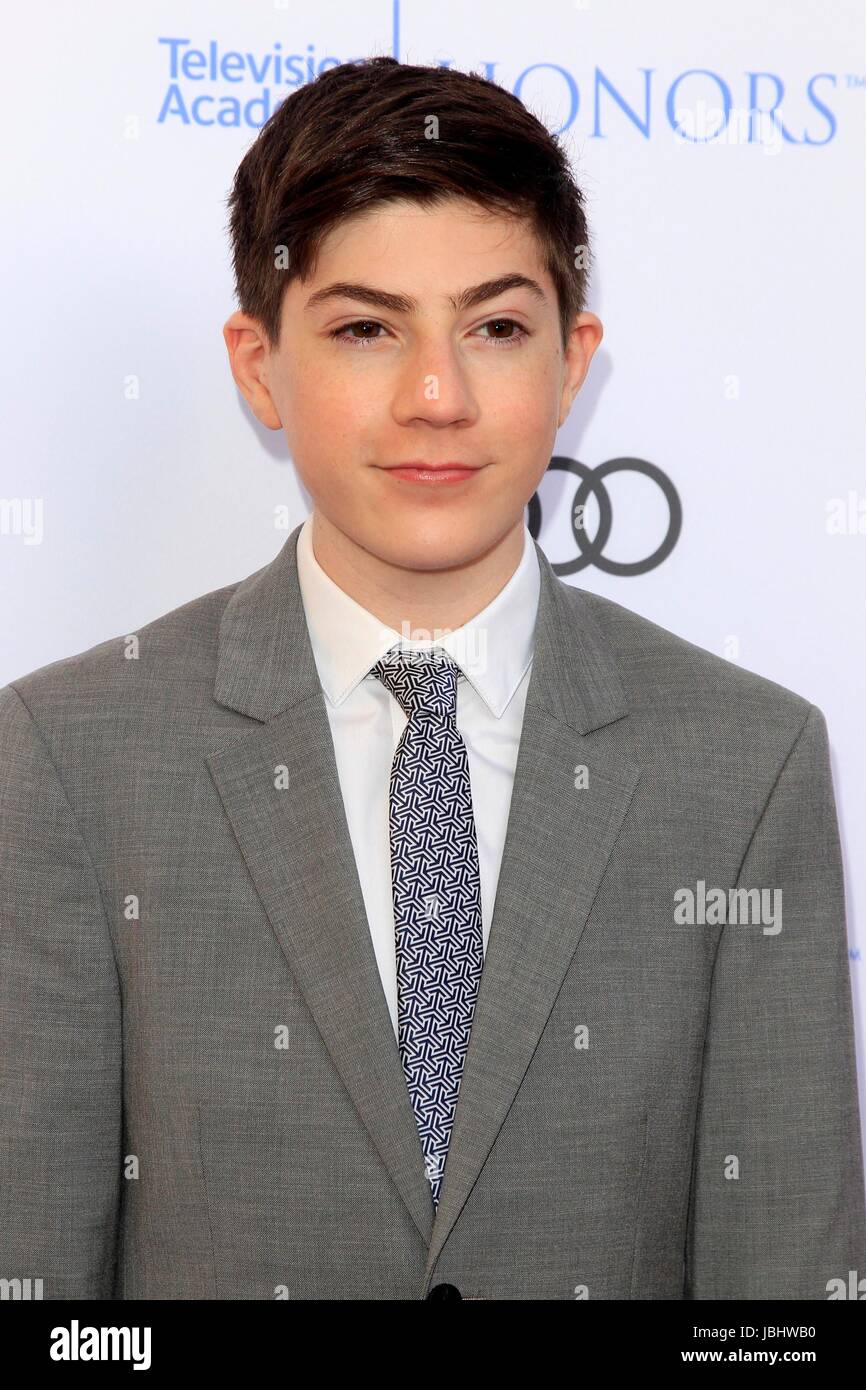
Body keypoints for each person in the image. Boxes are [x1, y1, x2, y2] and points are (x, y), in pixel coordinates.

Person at [1, 55, 863, 1302]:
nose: (435, 397)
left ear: (573, 361)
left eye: (495, 328)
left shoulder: (741, 763)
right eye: (364, 329)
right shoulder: (74, 754)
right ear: (257, 364)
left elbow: (778, 1304)